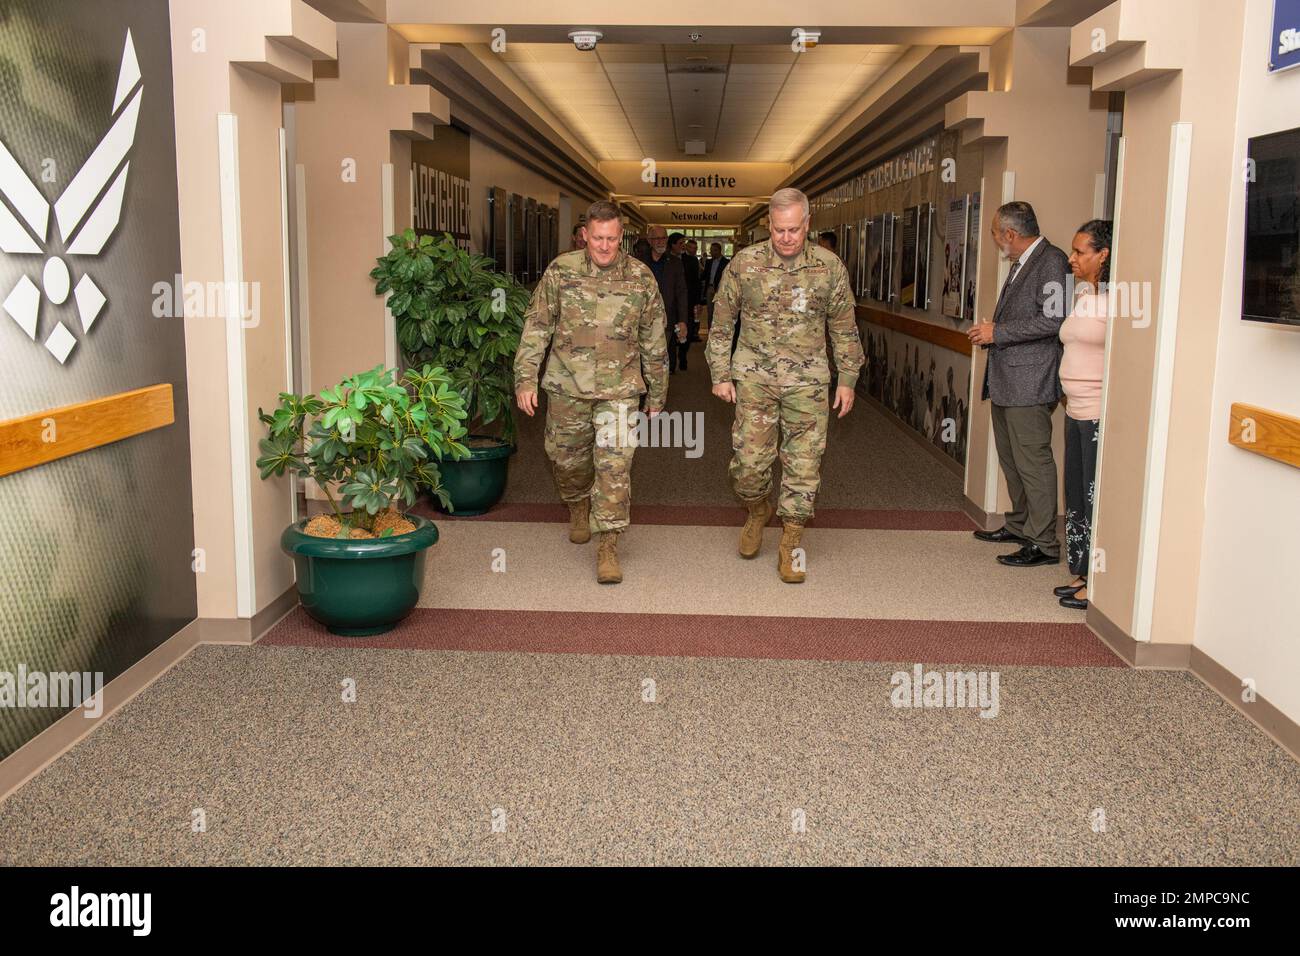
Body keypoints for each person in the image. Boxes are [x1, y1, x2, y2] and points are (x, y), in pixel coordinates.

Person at [707, 187, 865, 583]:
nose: (787, 238)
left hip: (808, 384)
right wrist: (719, 373)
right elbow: (722, 323)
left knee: (804, 464)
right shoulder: (744, 264)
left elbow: (844, 328)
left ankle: (791, 540)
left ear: (808, 224)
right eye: (779, 230)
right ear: (769, 226)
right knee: (748, 465)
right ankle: (757, 509)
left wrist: (847, 378)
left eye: (794, 229)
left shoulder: (829, 267)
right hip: (755, 381)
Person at [514, 201, 671, 584]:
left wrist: (657, 394)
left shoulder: (640, 277)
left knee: (615, 467)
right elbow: (537, 326)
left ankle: (608, 546)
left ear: (623, 236)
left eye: (612, 239)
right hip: (568, 386)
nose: (604, 247)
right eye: (597, 238)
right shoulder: (561, 271)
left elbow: (654, 337)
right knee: (566, 460)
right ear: (585, 235)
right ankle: (578, 502)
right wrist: (525, 378)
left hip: (620, 389)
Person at [968, 200, 1071, 567]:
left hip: (1030, 382)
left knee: (1033, 462)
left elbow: (1056, 320)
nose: (997, 241)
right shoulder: (1023, 263)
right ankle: (1020, 524)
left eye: (997, 234)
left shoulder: (1052, 262)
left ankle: (1043, 543)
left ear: (1011, 233)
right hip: (1008, 381)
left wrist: (999, 332)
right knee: (1012, 460)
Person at [1056, 219, 1111, 610]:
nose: (1072, 258)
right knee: (1075, 494)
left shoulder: (1118, 300)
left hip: (1097, 413)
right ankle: (1081, 570)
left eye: (1080, 252)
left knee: (1094, 499)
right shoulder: (1083, 295)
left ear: (1103, 255)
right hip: (1074, 410)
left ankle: (1097, 582)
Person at [636, 226, 691, 373]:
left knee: (659, 361)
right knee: (641, 360)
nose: (661, 242)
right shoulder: (638, 263)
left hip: (665, 320)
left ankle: (657, 393)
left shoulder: (675, 263)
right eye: (657, 238)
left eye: (664, 238)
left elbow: (681, 292)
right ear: (649, 240)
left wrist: (683, 320)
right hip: (641, 320)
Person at [674, 232, 703, 345]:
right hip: (672, 299)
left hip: (688, 299)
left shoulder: (692, 260)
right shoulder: (668, 259)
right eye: (681, 243)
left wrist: (698, 301)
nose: (683, 245)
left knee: (688, 325)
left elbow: (696, 282)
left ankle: (683, 354)